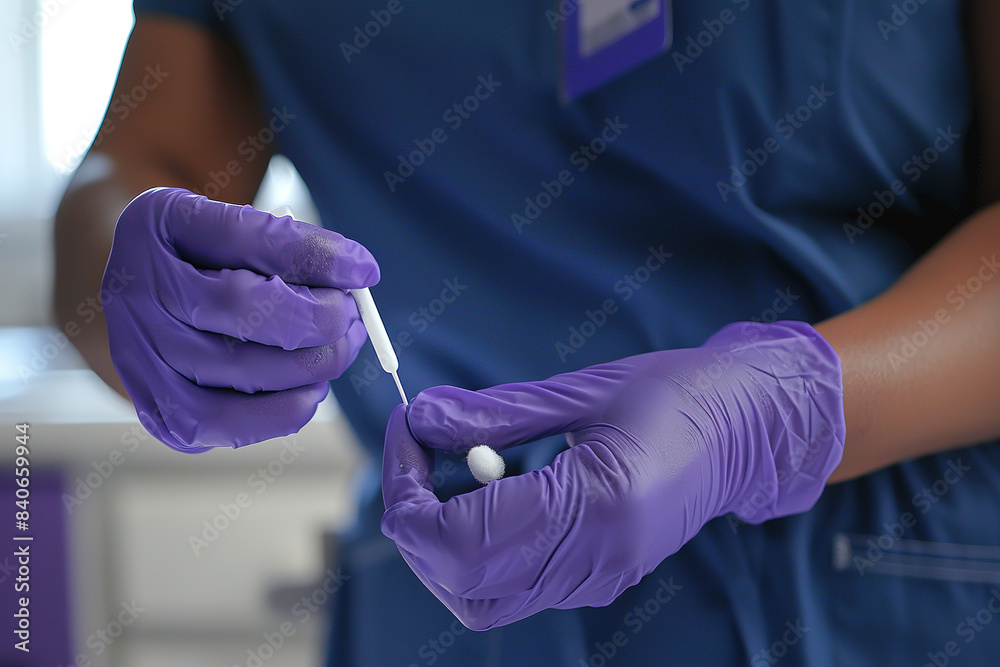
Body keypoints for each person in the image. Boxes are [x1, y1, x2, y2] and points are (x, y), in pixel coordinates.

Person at [54, 0, 1000, 664]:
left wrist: (774, 415)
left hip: (891, 588)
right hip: (452, 603)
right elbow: (146, 157)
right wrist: (138, 276)